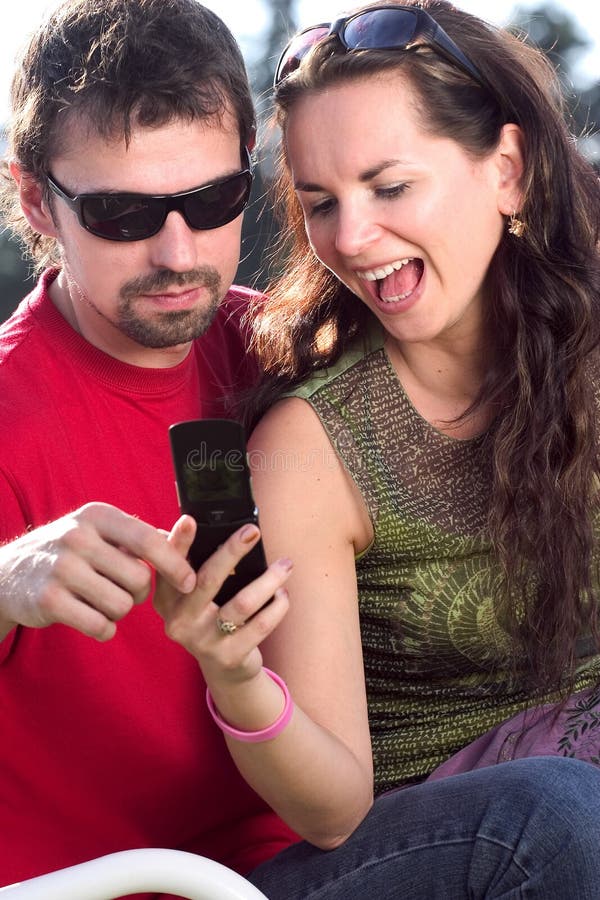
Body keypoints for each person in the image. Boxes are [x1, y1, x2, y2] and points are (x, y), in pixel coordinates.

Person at [154, 1, 600, 897]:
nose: (351, 239)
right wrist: (236, 676)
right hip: (436, 851)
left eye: (389, 187)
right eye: (320, 202)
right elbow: (335, 812)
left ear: (506, 171)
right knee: (558, 814)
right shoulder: (315, 446)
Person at [0, 0, 299, 892]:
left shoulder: (288, 351)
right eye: (125, 213)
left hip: (307, 858)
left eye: (213, 199)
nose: (180, 251)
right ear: (35, 200)